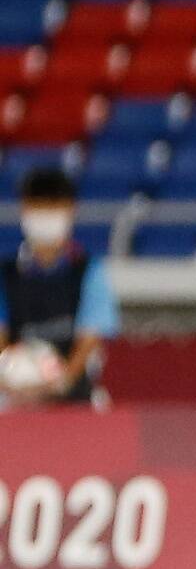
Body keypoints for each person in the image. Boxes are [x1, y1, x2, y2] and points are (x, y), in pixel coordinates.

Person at [2, 167, 113, 407]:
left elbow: (90, 339)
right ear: (25, 209)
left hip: (75, 397)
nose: (46, 215)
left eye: (53, 206)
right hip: (14, 398)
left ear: (70, 210)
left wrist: (60, 382)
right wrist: (12, 380)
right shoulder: (6, 273)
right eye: (38, 206)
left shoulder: (88, 272)